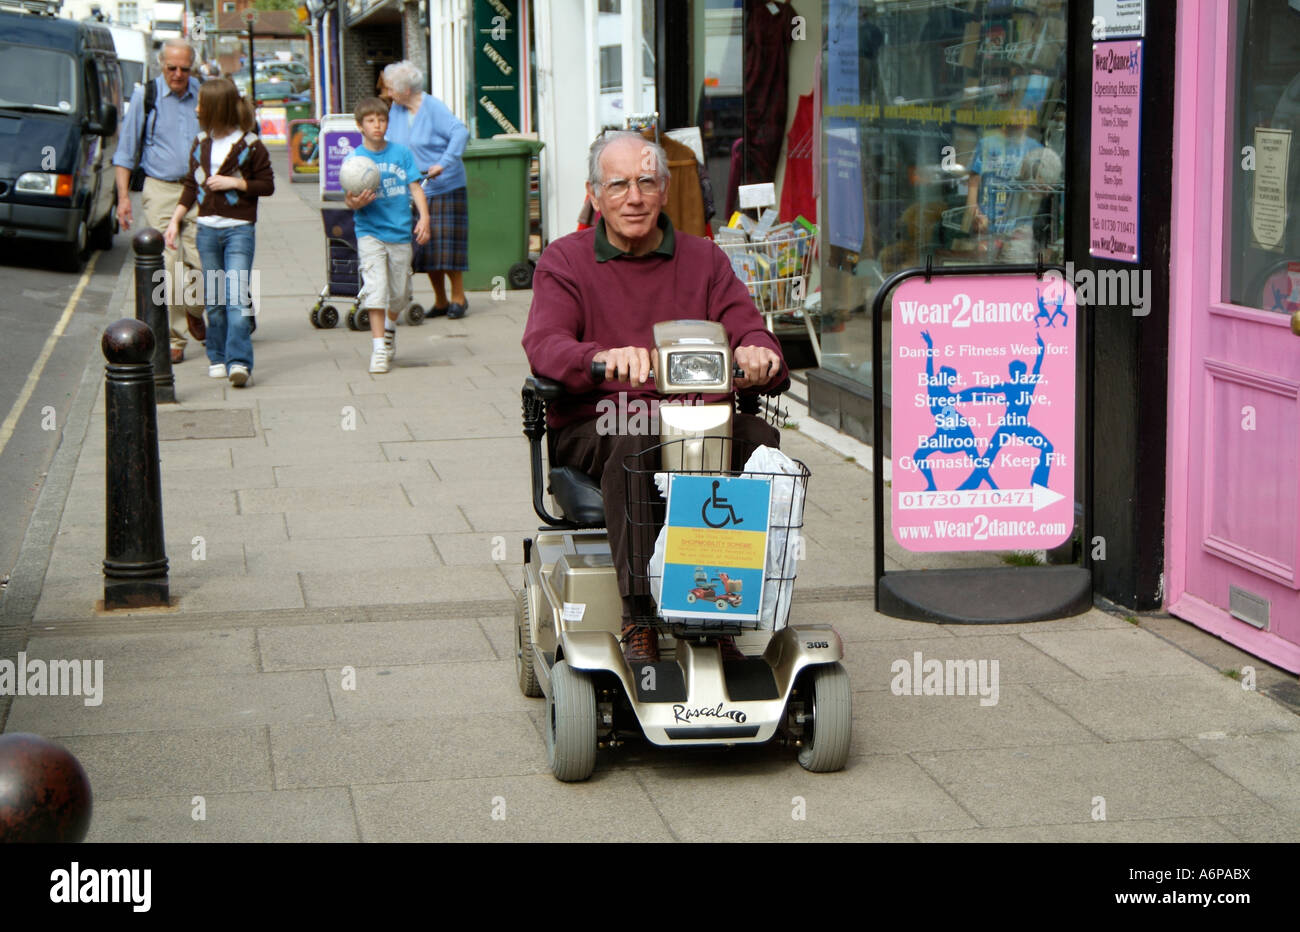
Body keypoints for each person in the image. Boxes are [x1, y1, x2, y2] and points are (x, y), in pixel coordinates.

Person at [522, 131, 787, 665]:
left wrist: (759, 351)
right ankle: (638, 612)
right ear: (595, 195)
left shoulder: (704, 260)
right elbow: (544, 343)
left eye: (646, 182)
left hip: (697, 418)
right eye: (618, 185)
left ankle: (723, 601)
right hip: (601, 418)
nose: (634, 197)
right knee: (641, 434)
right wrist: (600, 358)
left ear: (665, 191)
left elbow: (747, 327)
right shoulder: (565, 260)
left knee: (760, 443)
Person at [164, 78, 274, 388]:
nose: (196, 107)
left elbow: (267, 186)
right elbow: (190, 185)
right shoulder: (201, 143)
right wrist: (175, 221)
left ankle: (239, 362)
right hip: (206, 232)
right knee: (214, 300)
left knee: (237, 299)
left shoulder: (251, 146)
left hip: (239, 231)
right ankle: (217, 356)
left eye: (201, 102)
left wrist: (236, 184)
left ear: (216, 107)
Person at [112, 38, 206, 365]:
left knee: (203, 263)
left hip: (201, 191)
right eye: (172, 68)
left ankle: (196, 311)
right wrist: (124, 198)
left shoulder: (205, 93)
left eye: (185, 68)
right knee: (170, 266)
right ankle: (175, 338)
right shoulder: (145, 96)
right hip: (161, 190)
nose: (178, 74)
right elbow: (125, 152)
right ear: (161, 66)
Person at [345, 97, 431, 374]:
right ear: (360, 126)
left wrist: (425, 219)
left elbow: (416, 188)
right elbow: (349, 199)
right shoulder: (355, 160)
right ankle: (379, 348)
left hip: (400, 233)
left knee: (400, 295)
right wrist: (357, 203)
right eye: (371, 121)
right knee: (376, 290)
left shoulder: (401, 154)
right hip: (370, 233)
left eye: (381, 120)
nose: (377, 125)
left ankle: (390, 327)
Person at [380, 61, 471, 319]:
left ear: (406, 89)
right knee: (426, 247)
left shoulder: (432, 108)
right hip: (413, 187)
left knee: (448, 247)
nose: (388, 94)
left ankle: (458, 297)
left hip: (445, 185)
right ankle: (440, 300)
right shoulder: (397, 110)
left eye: (391, 89)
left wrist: (443, 163)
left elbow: (460, 133)